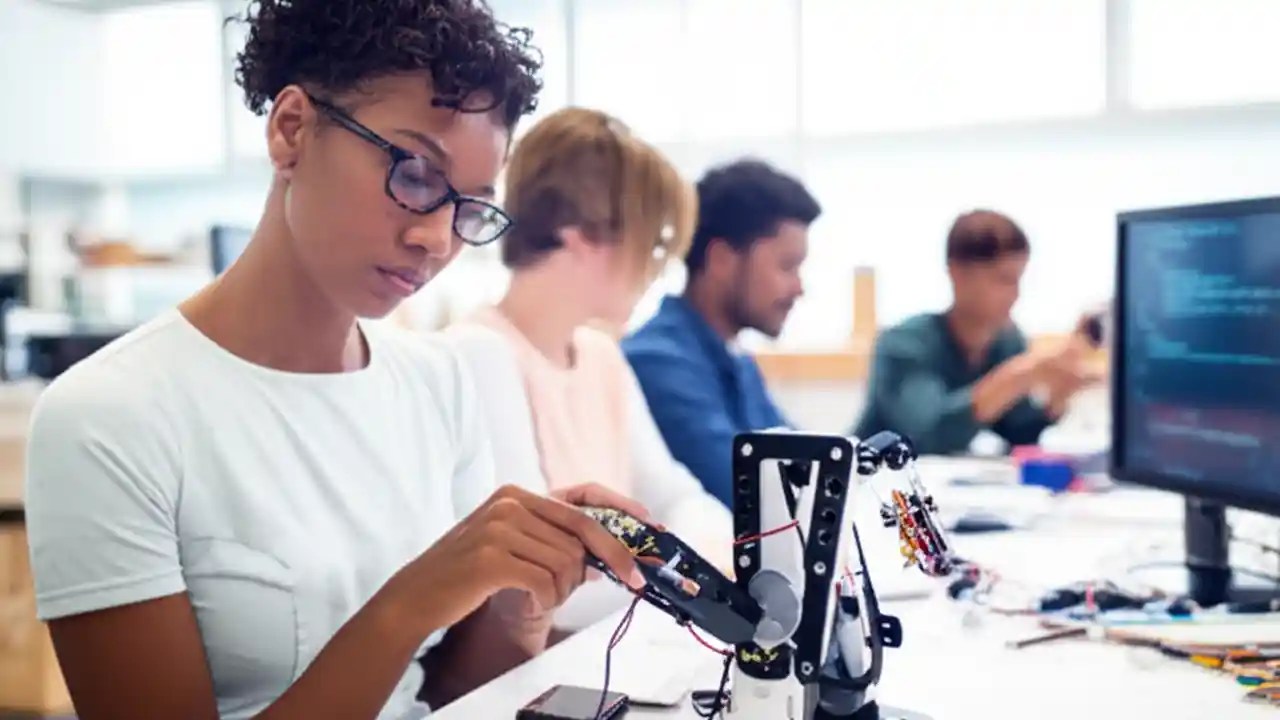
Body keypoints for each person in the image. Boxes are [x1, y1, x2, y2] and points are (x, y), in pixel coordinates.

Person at [22, 3, 647, 719]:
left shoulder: (437, 381)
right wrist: (410, 603)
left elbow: (448, 696)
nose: (437, 239)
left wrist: (522, 588)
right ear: (292, 131)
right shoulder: (108, 418)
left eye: (470, 208)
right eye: (414, 174)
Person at [442, 107, 731, 631]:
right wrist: (695, 577)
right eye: (654, 242)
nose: (657, 265)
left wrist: (704, 566)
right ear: (579, 234)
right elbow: (537, 585)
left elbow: (676, 495)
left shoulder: (600, 356)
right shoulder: (478, 356)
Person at [623, 159, 821, 507]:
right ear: (721, 260)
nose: (799, 288)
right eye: (787, 265)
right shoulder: (657, 363)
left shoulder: (735, 358)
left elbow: (811, 462)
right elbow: (755, 496)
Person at [854, 209, 1098, 455]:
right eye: (1004, 279)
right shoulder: (902, 345)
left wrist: (1058, 396)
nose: (1015, 294)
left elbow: (1018, 433)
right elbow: (927, 434)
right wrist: (1019, 375)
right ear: (957, 274)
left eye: (1019, 280)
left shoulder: (1007, 343)